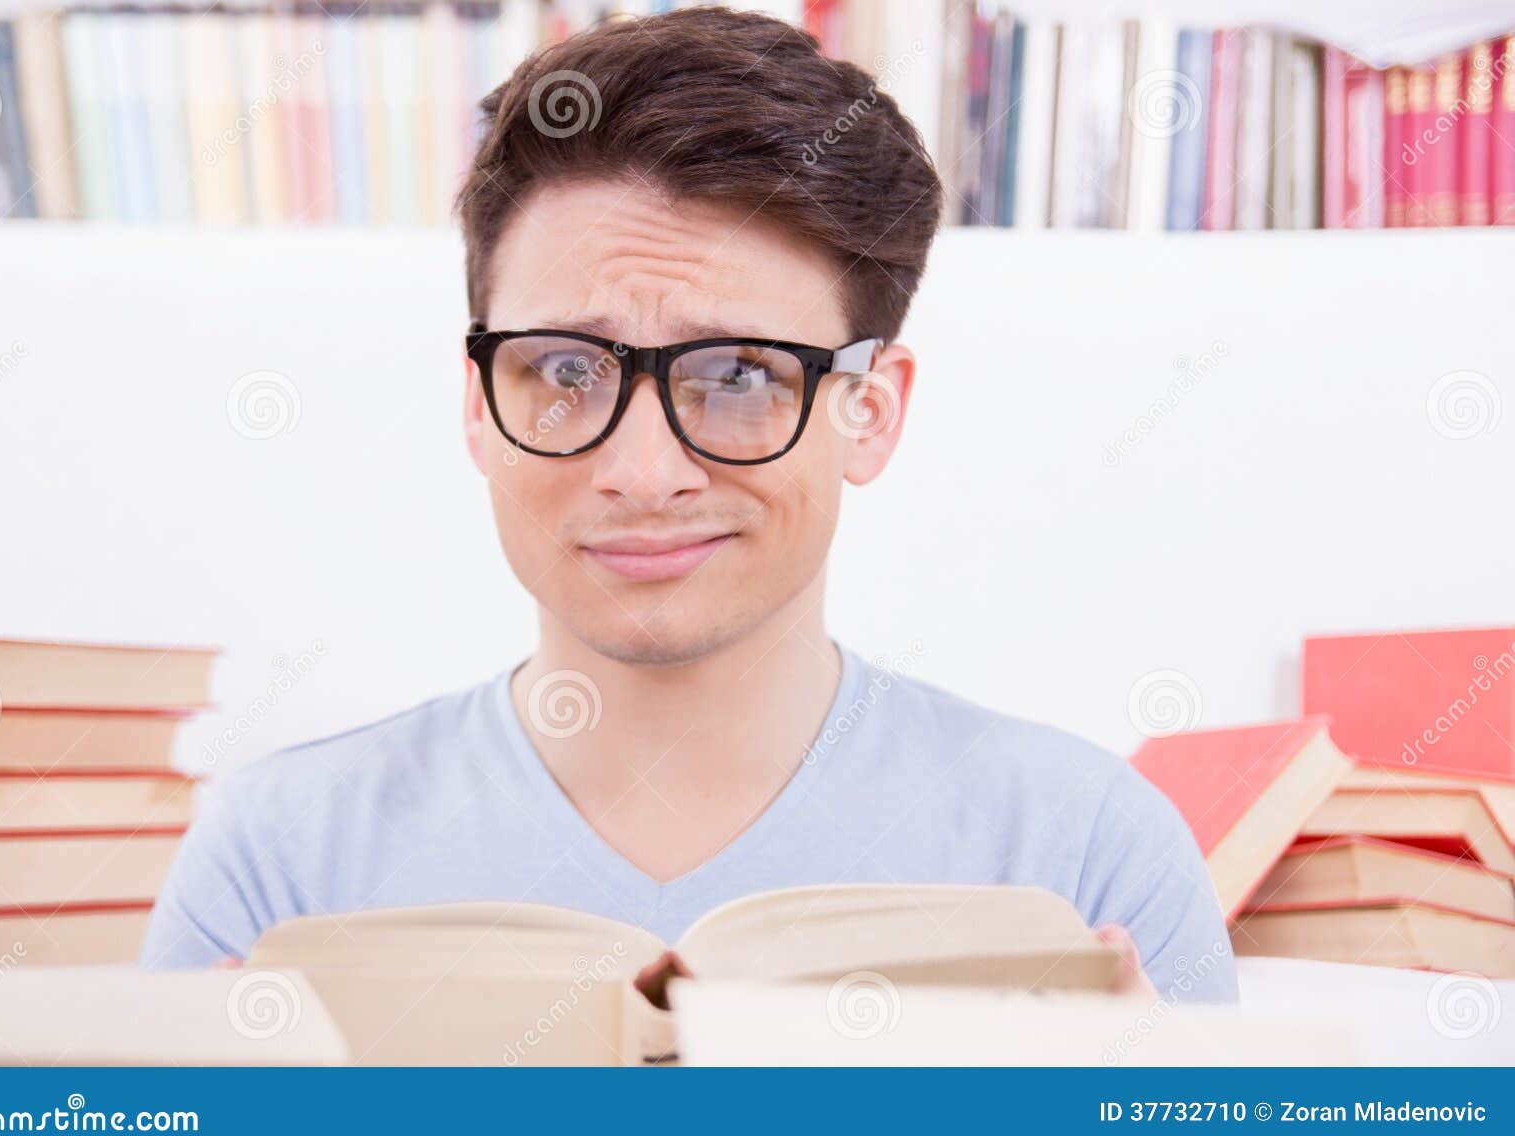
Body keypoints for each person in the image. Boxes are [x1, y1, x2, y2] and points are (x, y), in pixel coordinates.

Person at [141, 6, 1236, 1004]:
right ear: (478, 404)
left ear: (870, 413)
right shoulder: (273, 864)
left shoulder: (1089, 857)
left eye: (743, 376)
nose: (645, 470)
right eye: (566, 372)